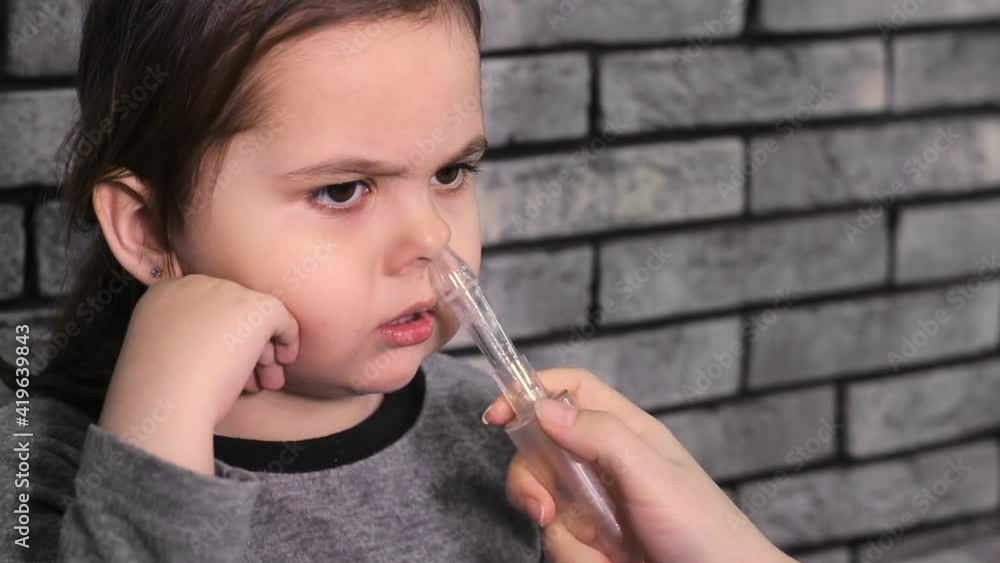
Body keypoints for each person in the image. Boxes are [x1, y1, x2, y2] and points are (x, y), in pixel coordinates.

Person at [0, 1, 794, 562]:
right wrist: (155, 437)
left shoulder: (505, 447)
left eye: (451, 171)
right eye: (343, 190)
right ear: (147, 230)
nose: (432, 239)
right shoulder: (35, 467)